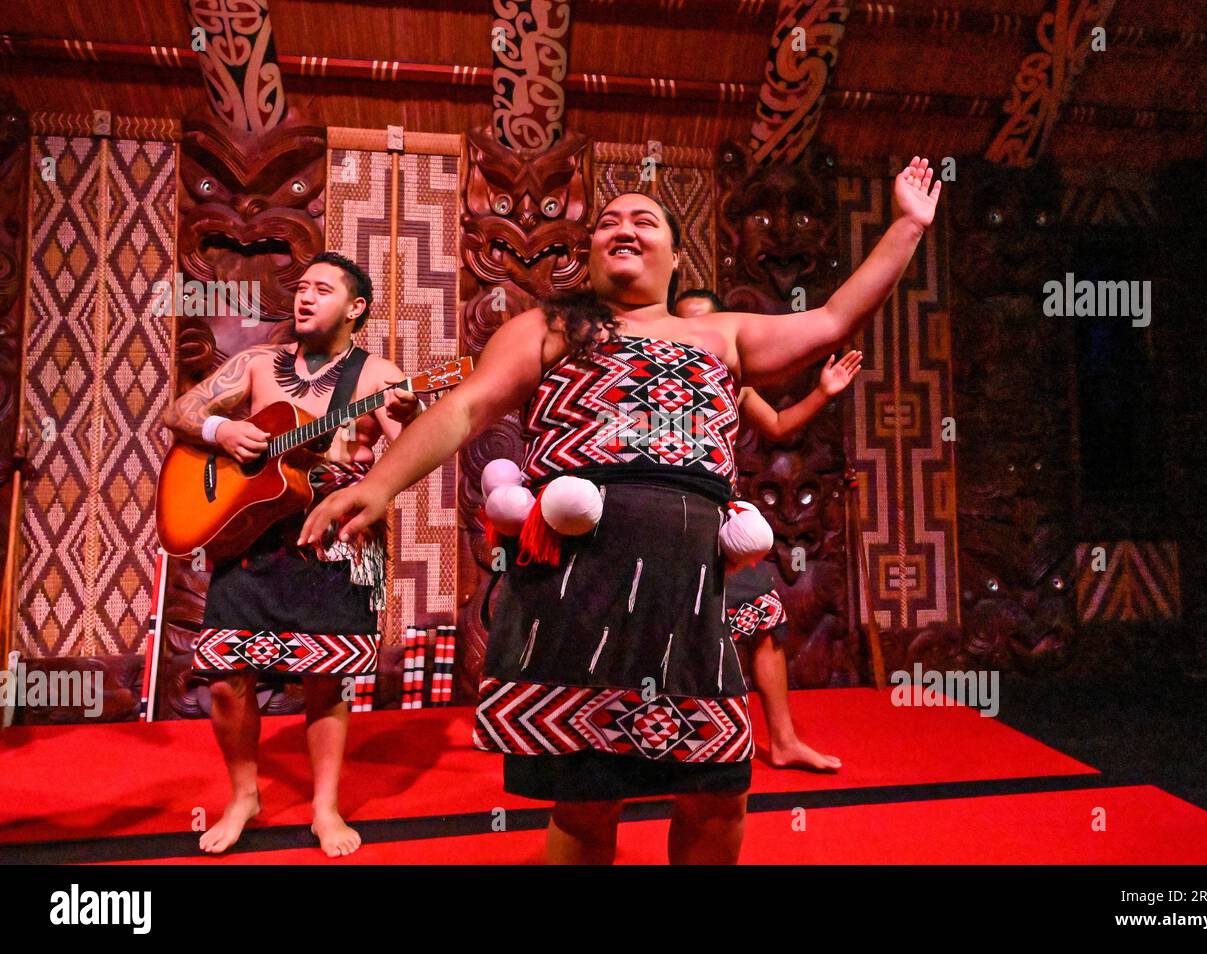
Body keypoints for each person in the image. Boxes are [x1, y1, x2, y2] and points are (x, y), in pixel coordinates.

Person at [300, 157, 941, 864]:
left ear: (674, 255)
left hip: (689, 588)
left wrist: (909, 224)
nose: (621, 228)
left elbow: (833, 319)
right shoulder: (547, 328)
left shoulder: (722, 335)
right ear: (592, 256)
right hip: (579, 586)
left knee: (720, 787)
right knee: (588, 797)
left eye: (643, 219)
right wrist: (381, 483)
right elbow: (465, 408)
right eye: (607, 222)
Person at [161, 251, 422, 857]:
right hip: (252, 538)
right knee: (225, 680)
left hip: (333, 545)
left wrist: (408, 419)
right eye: (301, 287)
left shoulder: (379, 376)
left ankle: (325, 808)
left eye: (322, 289)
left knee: (325, 683)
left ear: (355, 308)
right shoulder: (255, 365)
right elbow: (178, 413)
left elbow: (412, 456)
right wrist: (221, 432)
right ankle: (245, 794)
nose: (304, 297)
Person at [675, 287, 859, 772]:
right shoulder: (647, 375)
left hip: (715, 516)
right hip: (660, 517)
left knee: (763, 606)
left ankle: (783, 739)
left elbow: (777, 425)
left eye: (705, 325)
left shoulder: (734, 383)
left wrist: (822, 392)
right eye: (683, 322)